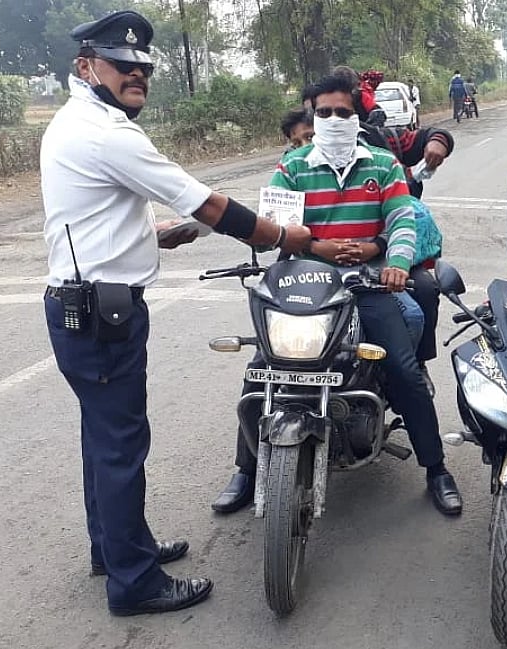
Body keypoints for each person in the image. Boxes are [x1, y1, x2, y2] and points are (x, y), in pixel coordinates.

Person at [41, 9, 311, 617]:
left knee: (101, 440)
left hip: (81, 303)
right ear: (87, 66)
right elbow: (208, 203)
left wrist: (150, 236)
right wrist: (281, 238)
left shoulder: (76, 122)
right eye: (123, 64)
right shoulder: (108, 132)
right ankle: (134, 584)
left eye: (143, 66)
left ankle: (115, 549)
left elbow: (90, 214)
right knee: (120, 445)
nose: (138, 74)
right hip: (102, 314)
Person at [211, 72, 463, 518]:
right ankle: (246, 471)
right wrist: (314, 246)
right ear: (312, 115)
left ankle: (436, 468)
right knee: (261, 371)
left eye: (342, 112)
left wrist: (392, 260)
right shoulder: (292, 167)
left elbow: (404, 219)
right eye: (322, 112)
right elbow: (275, 228)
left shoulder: (383, 166)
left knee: (403, 369)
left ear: (357, 116)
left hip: (367, 283)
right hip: (306, 284)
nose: (331, 119)